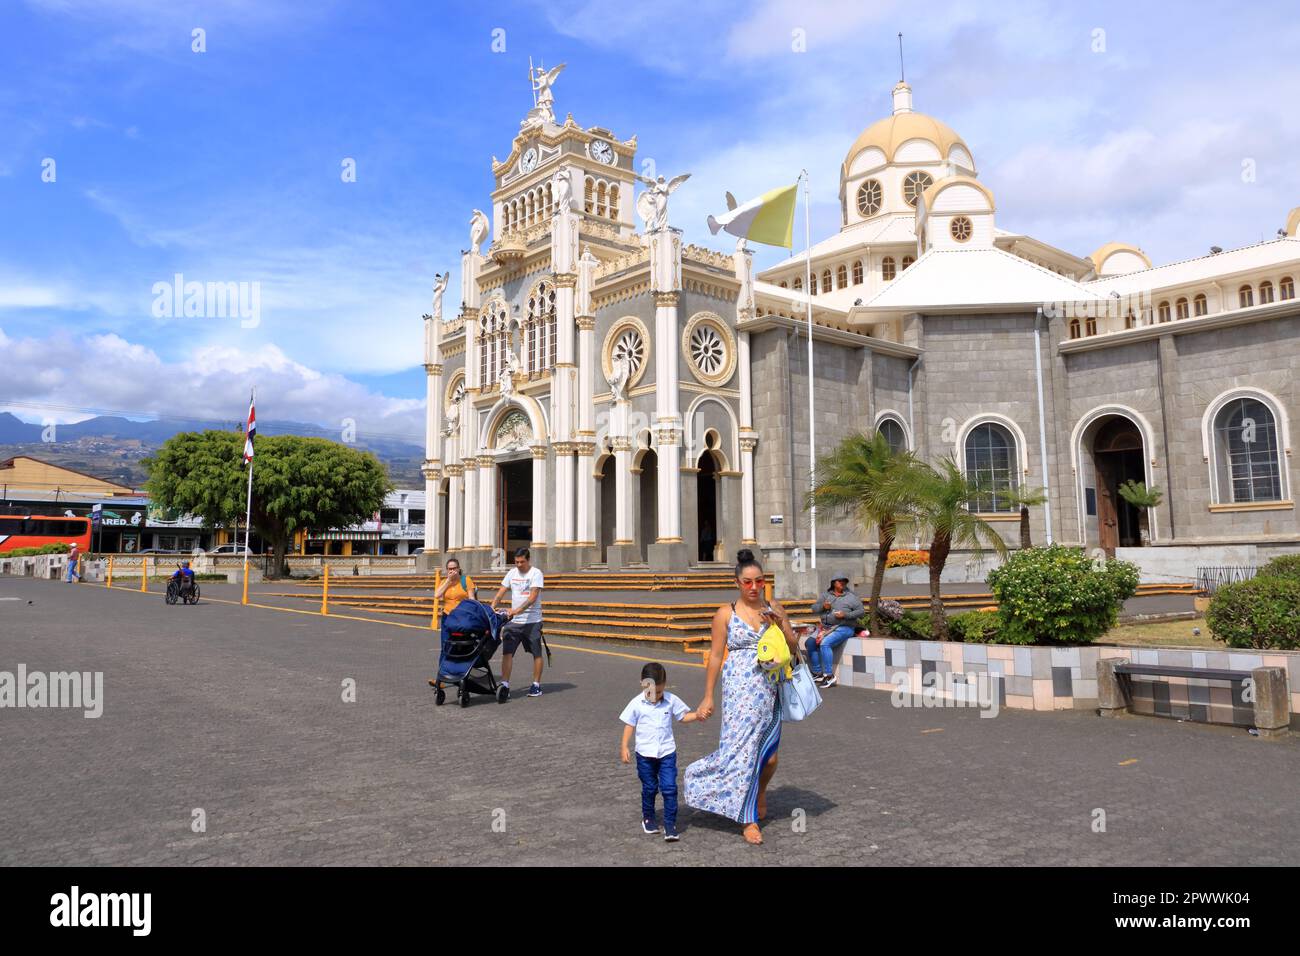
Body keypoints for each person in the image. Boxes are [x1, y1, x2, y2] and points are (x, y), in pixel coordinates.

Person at [684, 548, 798, 845]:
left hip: (770, 691)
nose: (753, 587)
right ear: (737, 583)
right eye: (747, 582)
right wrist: (708, 696)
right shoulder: (726, 614)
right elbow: (715, 657)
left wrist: (780, 622)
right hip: (738, 695)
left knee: (770, 758)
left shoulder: (773, 607)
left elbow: (793, 644)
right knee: (743, 756)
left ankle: (758, 791)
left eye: (759, 581)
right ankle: (748, 819)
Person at [619, 662, 700, 842]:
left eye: (659, 692)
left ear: (665, 685)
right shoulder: (636, 703)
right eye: (651, 692)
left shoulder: (671, 699)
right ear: (643, 684)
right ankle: (648, 818)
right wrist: (624, 746)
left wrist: (697, 715)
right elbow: (629, 724)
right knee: (649, 788)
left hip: (667, 753)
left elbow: (682, 716)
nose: (655, 696)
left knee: (670, 788)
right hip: (645, 755)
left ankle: (670, 824)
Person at [490, 548, 545, 701]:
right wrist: (491, 607)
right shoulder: (512, 573)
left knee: (536, 653)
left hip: (532, 621)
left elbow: (533, 597)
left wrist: (517, 610)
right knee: (507, 653)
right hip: (514, 622)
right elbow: (501, 591)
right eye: (516, 562)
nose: (519, 565)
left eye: (522, 562)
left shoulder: (536, 573)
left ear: (528, 560)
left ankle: (536, 684)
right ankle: (505, 685)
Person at [808, 573, 866, 687]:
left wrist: (845, 615)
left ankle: (829, 676)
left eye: (844, 581)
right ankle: (817, 672)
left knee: (825, 644)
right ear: (834, 583)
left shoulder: (851, 597)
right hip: (825, 628)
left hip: (844, 627)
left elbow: (861, 611)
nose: (843, 583)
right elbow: (813, 609)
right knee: (809, 643)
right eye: (840, 581)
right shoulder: (825, 596)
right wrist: (822, 607)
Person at [428, 557, 478, 688]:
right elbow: (437, 595)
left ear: (458, 569)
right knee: (445, 647)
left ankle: (462, 674)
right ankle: (440, 678)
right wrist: (448, 581)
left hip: (462, 619)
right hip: (448, 618)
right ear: (447, 570)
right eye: (449, 569)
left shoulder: (466, 580)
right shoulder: (445, 581)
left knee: (462, 647)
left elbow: (472, 600)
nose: (452, 571)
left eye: (454, 568)